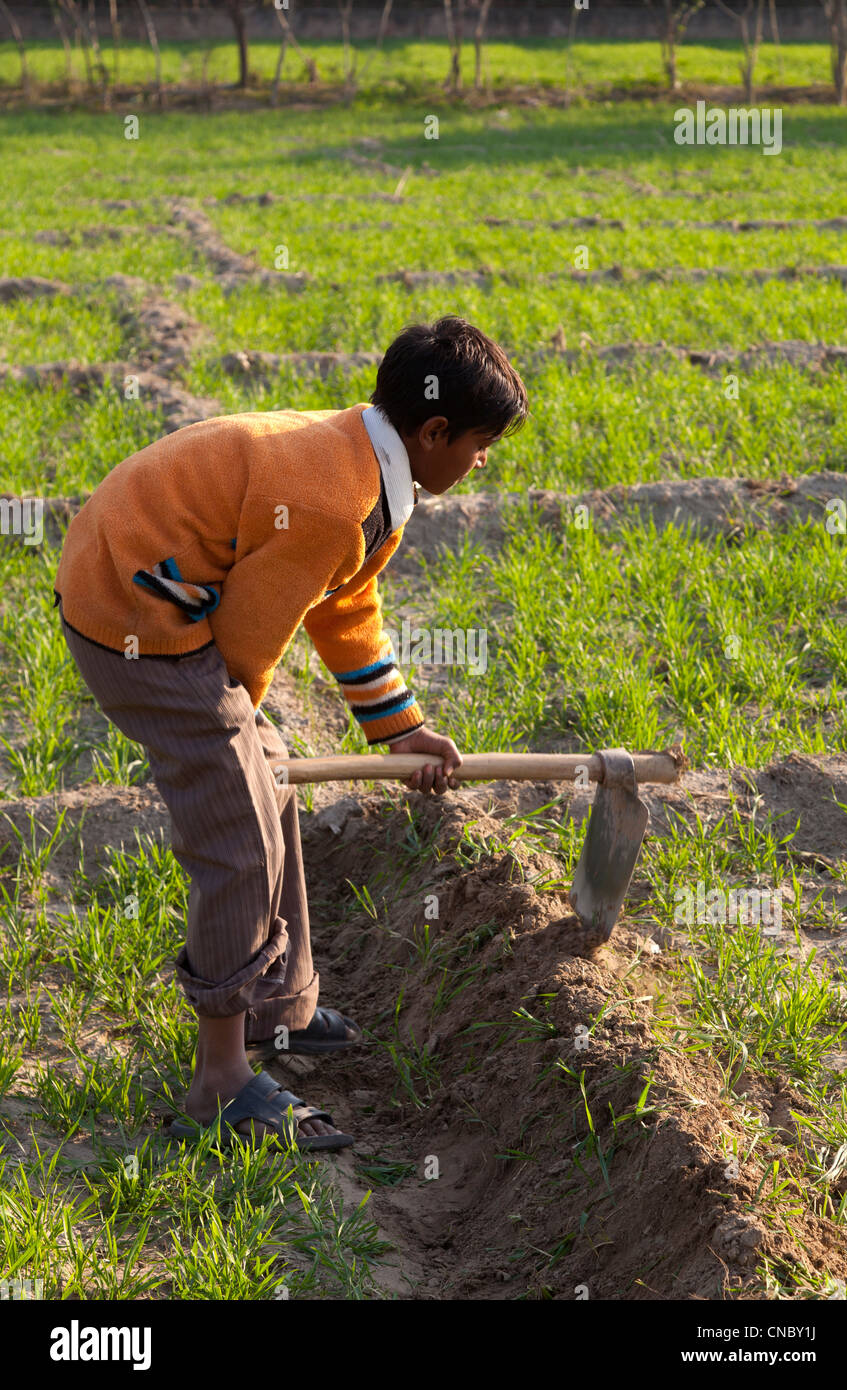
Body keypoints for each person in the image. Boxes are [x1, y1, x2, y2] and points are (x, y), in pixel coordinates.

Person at [53, 315, 528, 1152]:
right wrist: (236, 747)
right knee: (239, 824)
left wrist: (399, 729)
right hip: (132, 612)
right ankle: (220, 1083)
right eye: (480, 445)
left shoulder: (370, 465)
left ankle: (278, 1008)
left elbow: (344, 601)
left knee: (266, 768)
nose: (481, 463)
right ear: (434, 430)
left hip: (157, 585)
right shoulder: (327, 498)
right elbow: (246, 648)